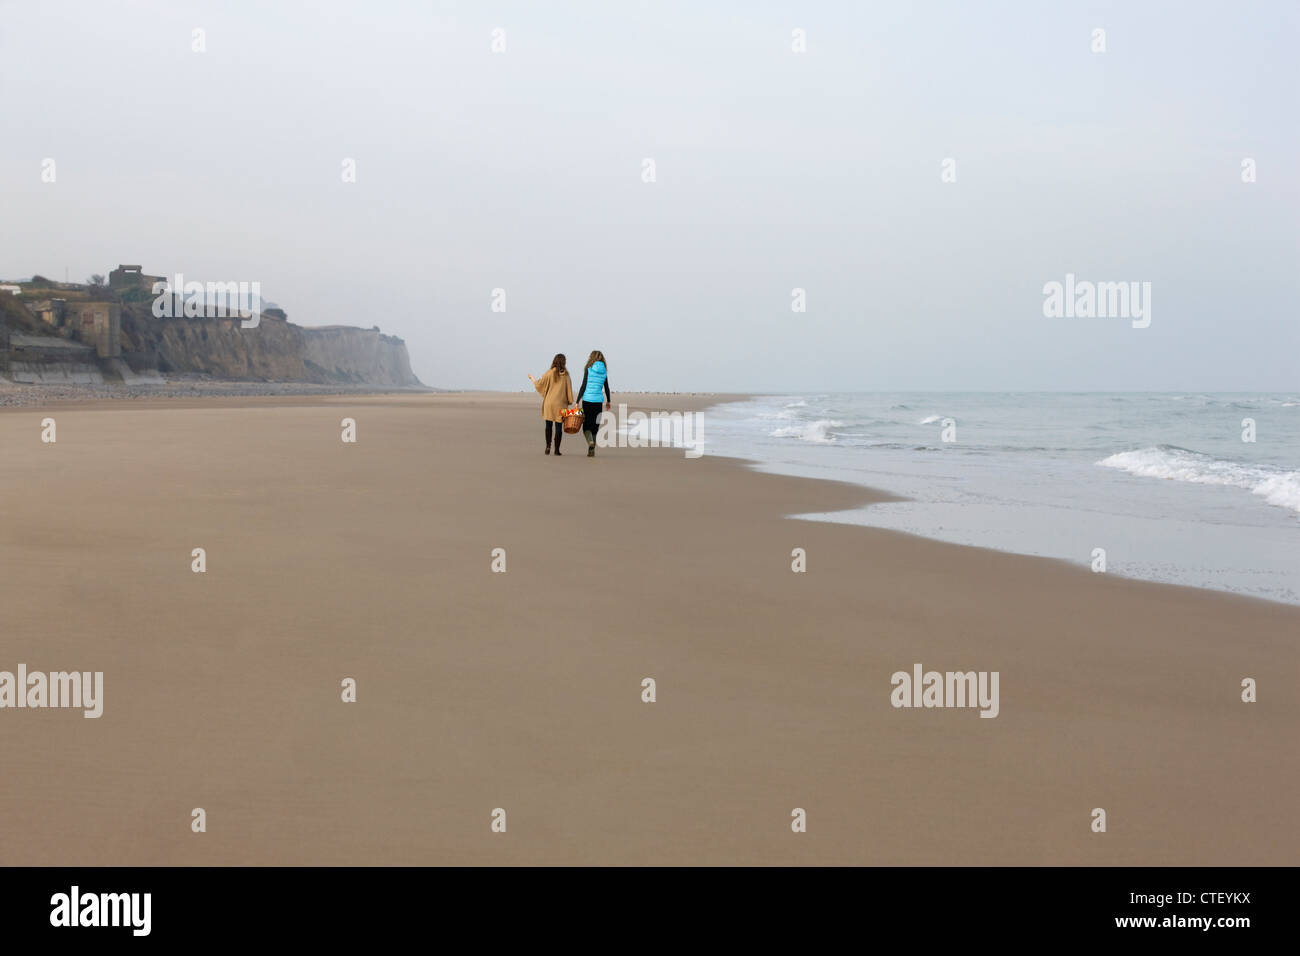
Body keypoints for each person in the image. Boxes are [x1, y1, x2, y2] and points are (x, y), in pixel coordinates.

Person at [528, 354, 574, 456]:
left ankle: (548, 446)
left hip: (549, 403)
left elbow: (540, 384)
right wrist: (570, 401)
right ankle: (557, 450)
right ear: (564, 362)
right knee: (558, 427)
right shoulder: (566, 375)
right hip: (560, 405)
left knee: (548, 426)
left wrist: (532, 379)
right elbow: (569, 391)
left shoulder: (549, 373)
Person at [576, 350, 611, 457]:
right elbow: (607, 388)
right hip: (598, 402)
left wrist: (577, 401)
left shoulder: (589, 369)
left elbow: (583, 385)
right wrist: (608, 401)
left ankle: (590, 442)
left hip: (587, 400)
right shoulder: (604, 371)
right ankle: (592, 450)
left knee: (586, 426)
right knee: (595, 426)